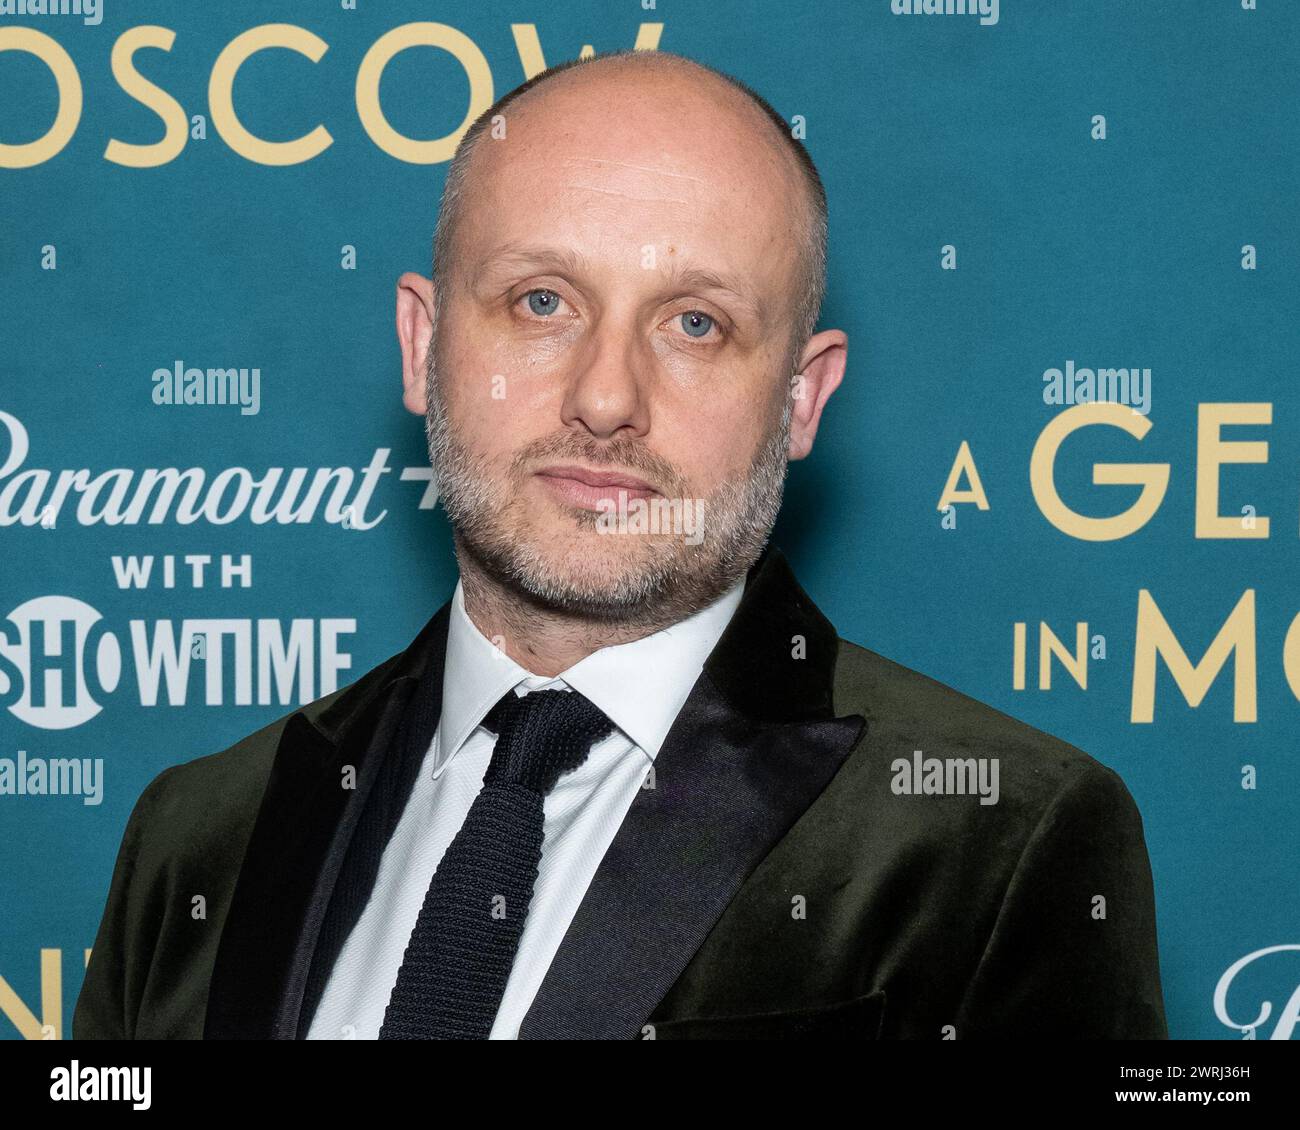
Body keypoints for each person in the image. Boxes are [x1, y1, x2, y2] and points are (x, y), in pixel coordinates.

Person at [73, 48, 1167, 1040]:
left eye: (695, 323)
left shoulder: (997, 838)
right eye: (541, 301)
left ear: (800, 398)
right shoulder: (200, 833)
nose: (605, 398)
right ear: (422, 346)